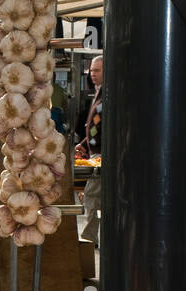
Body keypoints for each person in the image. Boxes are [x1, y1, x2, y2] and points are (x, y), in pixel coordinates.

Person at [74, 55, 103, 245]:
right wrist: (84, 144)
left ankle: (88, 239)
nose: (92, 74)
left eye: (97, 70)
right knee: (93, 197)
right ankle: (90, 238)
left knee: (92, 197)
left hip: (103, 156)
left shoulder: (107, 95)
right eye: (91, 70)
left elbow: (104, 127)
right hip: (94, 154)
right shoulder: (98, 94)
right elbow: (95, 126)